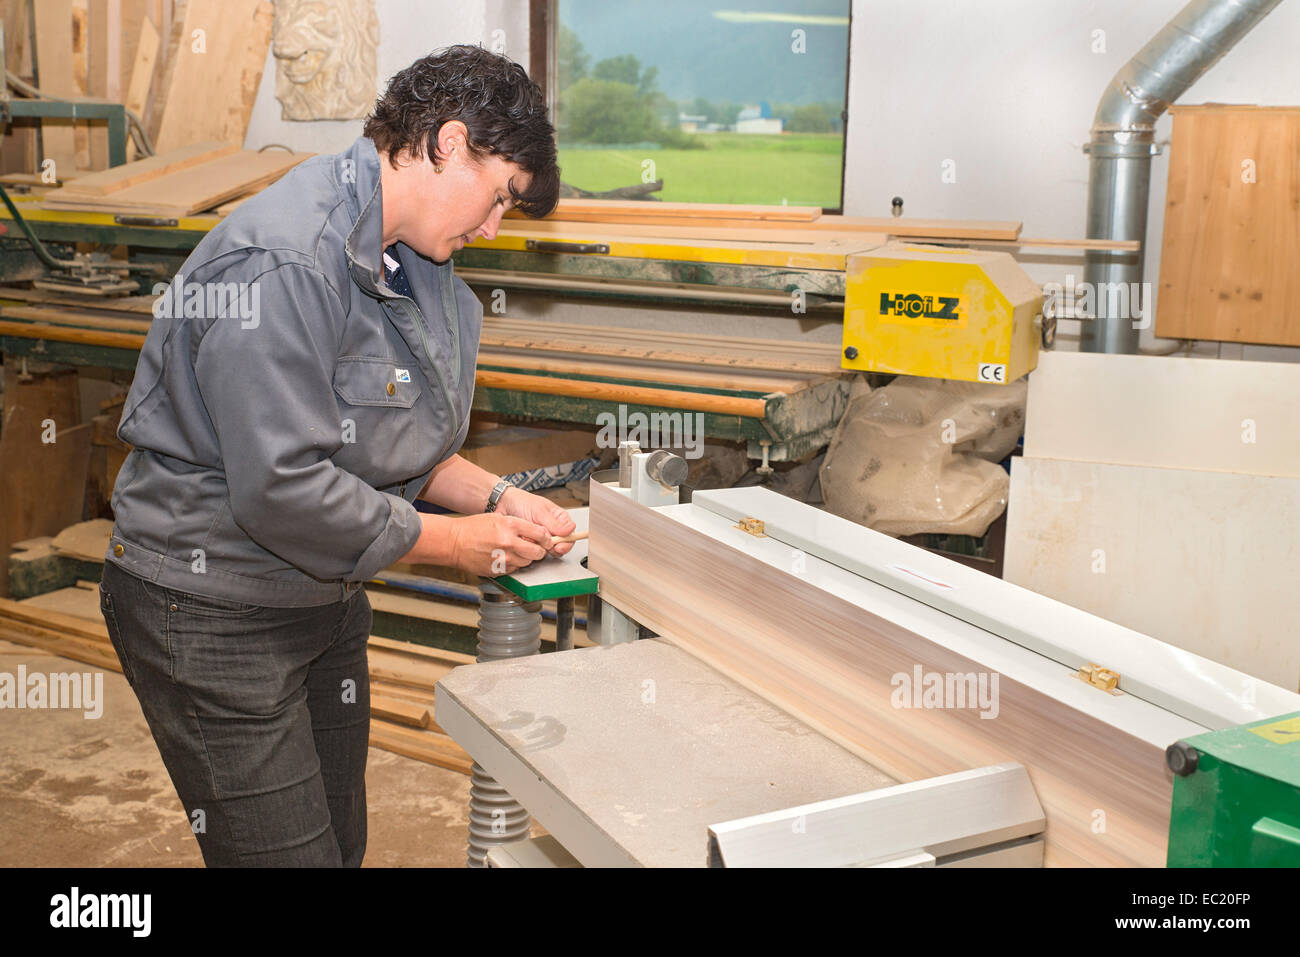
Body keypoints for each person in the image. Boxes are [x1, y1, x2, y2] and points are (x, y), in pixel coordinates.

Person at [98, 45, 574, 867]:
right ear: (448, 143)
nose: (494, 227)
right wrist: (452, 545)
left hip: (319, 592)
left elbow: (388, 443)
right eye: (498, 198)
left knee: (338, 846)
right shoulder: (284, 261)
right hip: (208, 601)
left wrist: (495, 500)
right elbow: (282, 486)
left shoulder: (413, 260)